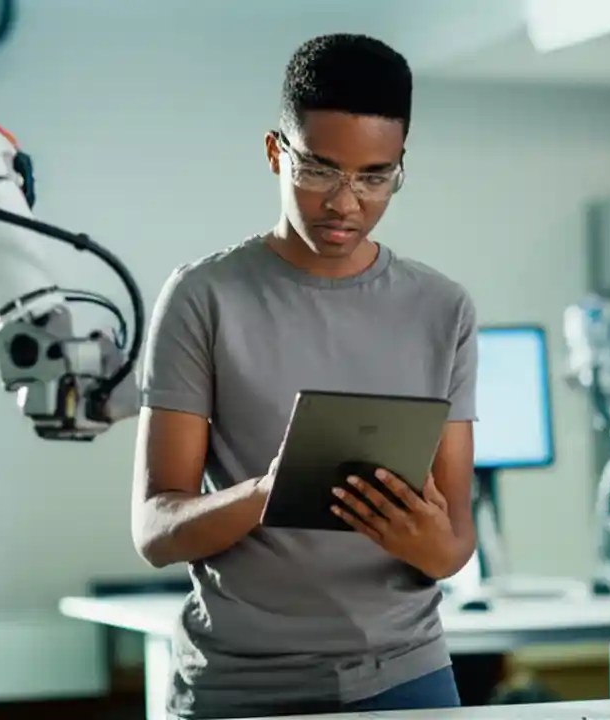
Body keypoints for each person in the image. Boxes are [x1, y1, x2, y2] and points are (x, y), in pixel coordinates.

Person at [130, 33, 479, 719]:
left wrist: (428, 542)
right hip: (239, 686)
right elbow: (154, 529)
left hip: (405, 677)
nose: (345, 203)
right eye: (319, 170)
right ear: (274, 153)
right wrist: (269, 491)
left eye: (375, 177)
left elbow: (454, 545)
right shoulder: (204, 296)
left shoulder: (443, 310)